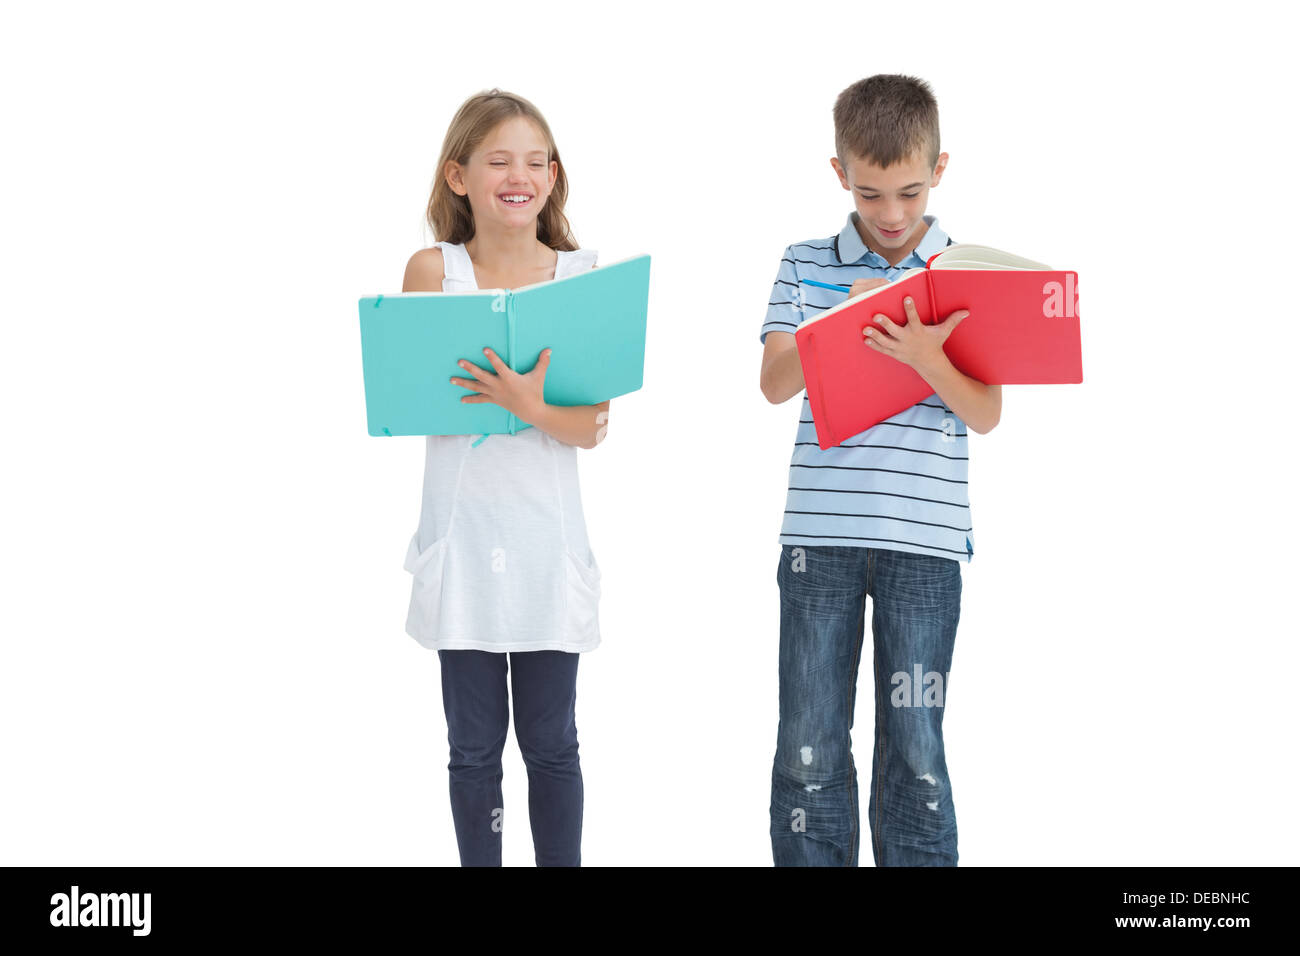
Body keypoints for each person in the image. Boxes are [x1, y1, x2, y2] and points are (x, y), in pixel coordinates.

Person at [758, 74, 1001, 866]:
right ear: (839, 176)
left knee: (917, 747)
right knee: (810, 741)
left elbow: (986, 412)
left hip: (926, 545)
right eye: (868, 193)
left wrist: (927, 354)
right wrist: (838, 319)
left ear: (939, 170)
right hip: (819, 540)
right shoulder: (804, 263)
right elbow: (773, 384)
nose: (890, 215)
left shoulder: (963, 273)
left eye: (907, 191)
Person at [399, 89, 608, 867]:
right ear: (459, 176)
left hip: (546, 546)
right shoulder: (433, 270)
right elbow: (414, 399)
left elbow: (592, 425)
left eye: (534, 161)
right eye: (498, 161)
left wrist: (523, 400)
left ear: (552, 177)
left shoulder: (583, 276)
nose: (519, 176)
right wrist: (518, 399)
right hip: (465, 545)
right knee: (473, 748)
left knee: (552, 741)